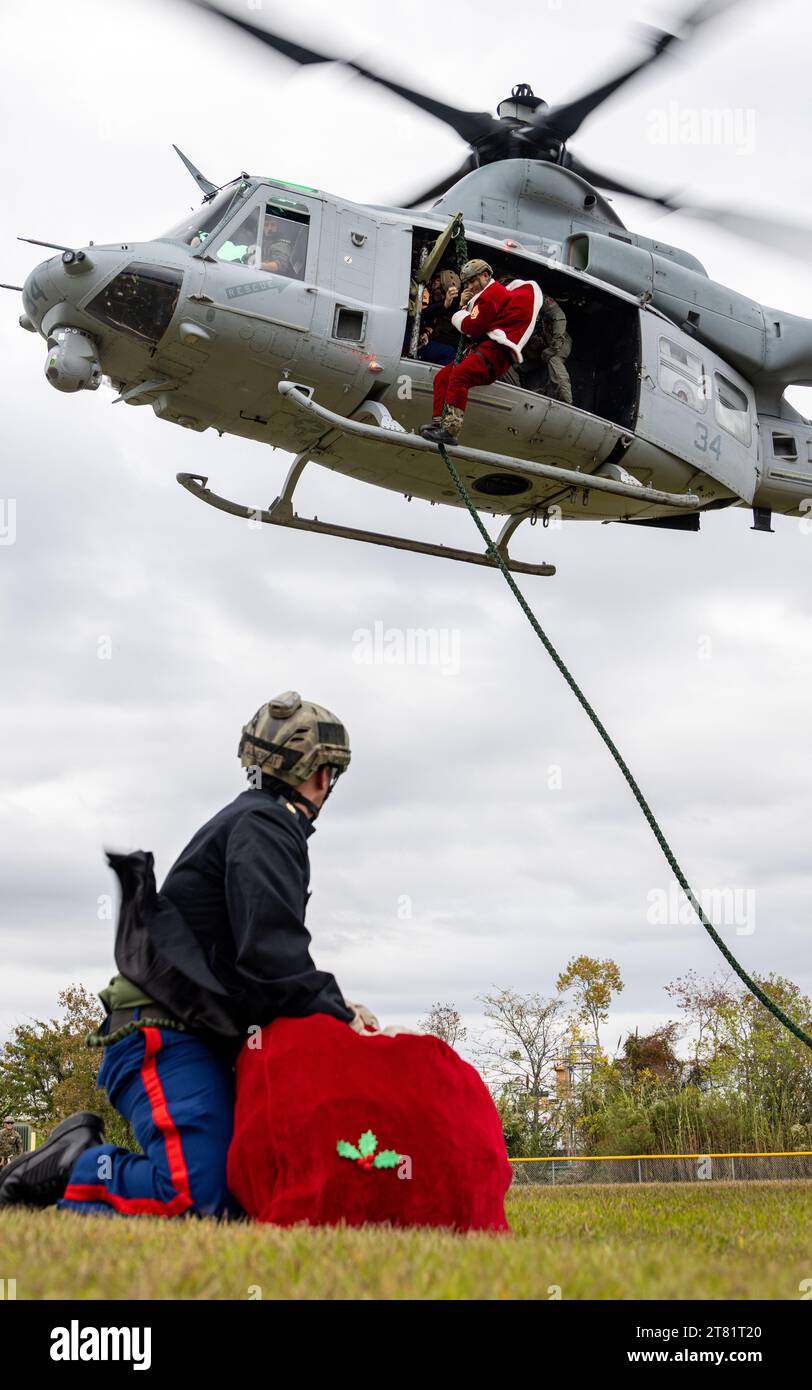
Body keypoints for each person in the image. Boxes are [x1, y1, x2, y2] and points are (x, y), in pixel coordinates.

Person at [0, 693, 354, 1217]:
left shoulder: (253, 822)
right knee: (198, 1200)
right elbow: (272, 959)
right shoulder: (267, 827)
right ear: (322, 774)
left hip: (191, 1032)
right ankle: (76, 1166)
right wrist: (345, 1017)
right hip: (163, 1033)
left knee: (240, 1198)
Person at [419, 259, 544, 444]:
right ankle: (438, 423)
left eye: (473, 281)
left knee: (459, 376)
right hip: (484, 350)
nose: (471, 286)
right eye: (468, 282)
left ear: (486, 275)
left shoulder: (492, 294)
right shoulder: (486, 297)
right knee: (443, 377)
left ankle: (450, 430)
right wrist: (464, 305)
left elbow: (474, 326)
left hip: (493, 353)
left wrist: (459, 314)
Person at [519, 292, 573, 404]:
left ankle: (566, 401)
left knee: (554, 360)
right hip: (532, 349)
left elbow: (558, 316)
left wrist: (555, 346)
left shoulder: (536, 294)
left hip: (557, 340)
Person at [417, 269, 462, 365]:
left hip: (423, 339)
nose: (435, 282)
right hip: (411, 337)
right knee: (450, 353)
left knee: (451, 351)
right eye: (436, 280)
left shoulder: (447, 304)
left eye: (438, 280)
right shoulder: (423, 291)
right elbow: (422, 313)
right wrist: (445, 304)